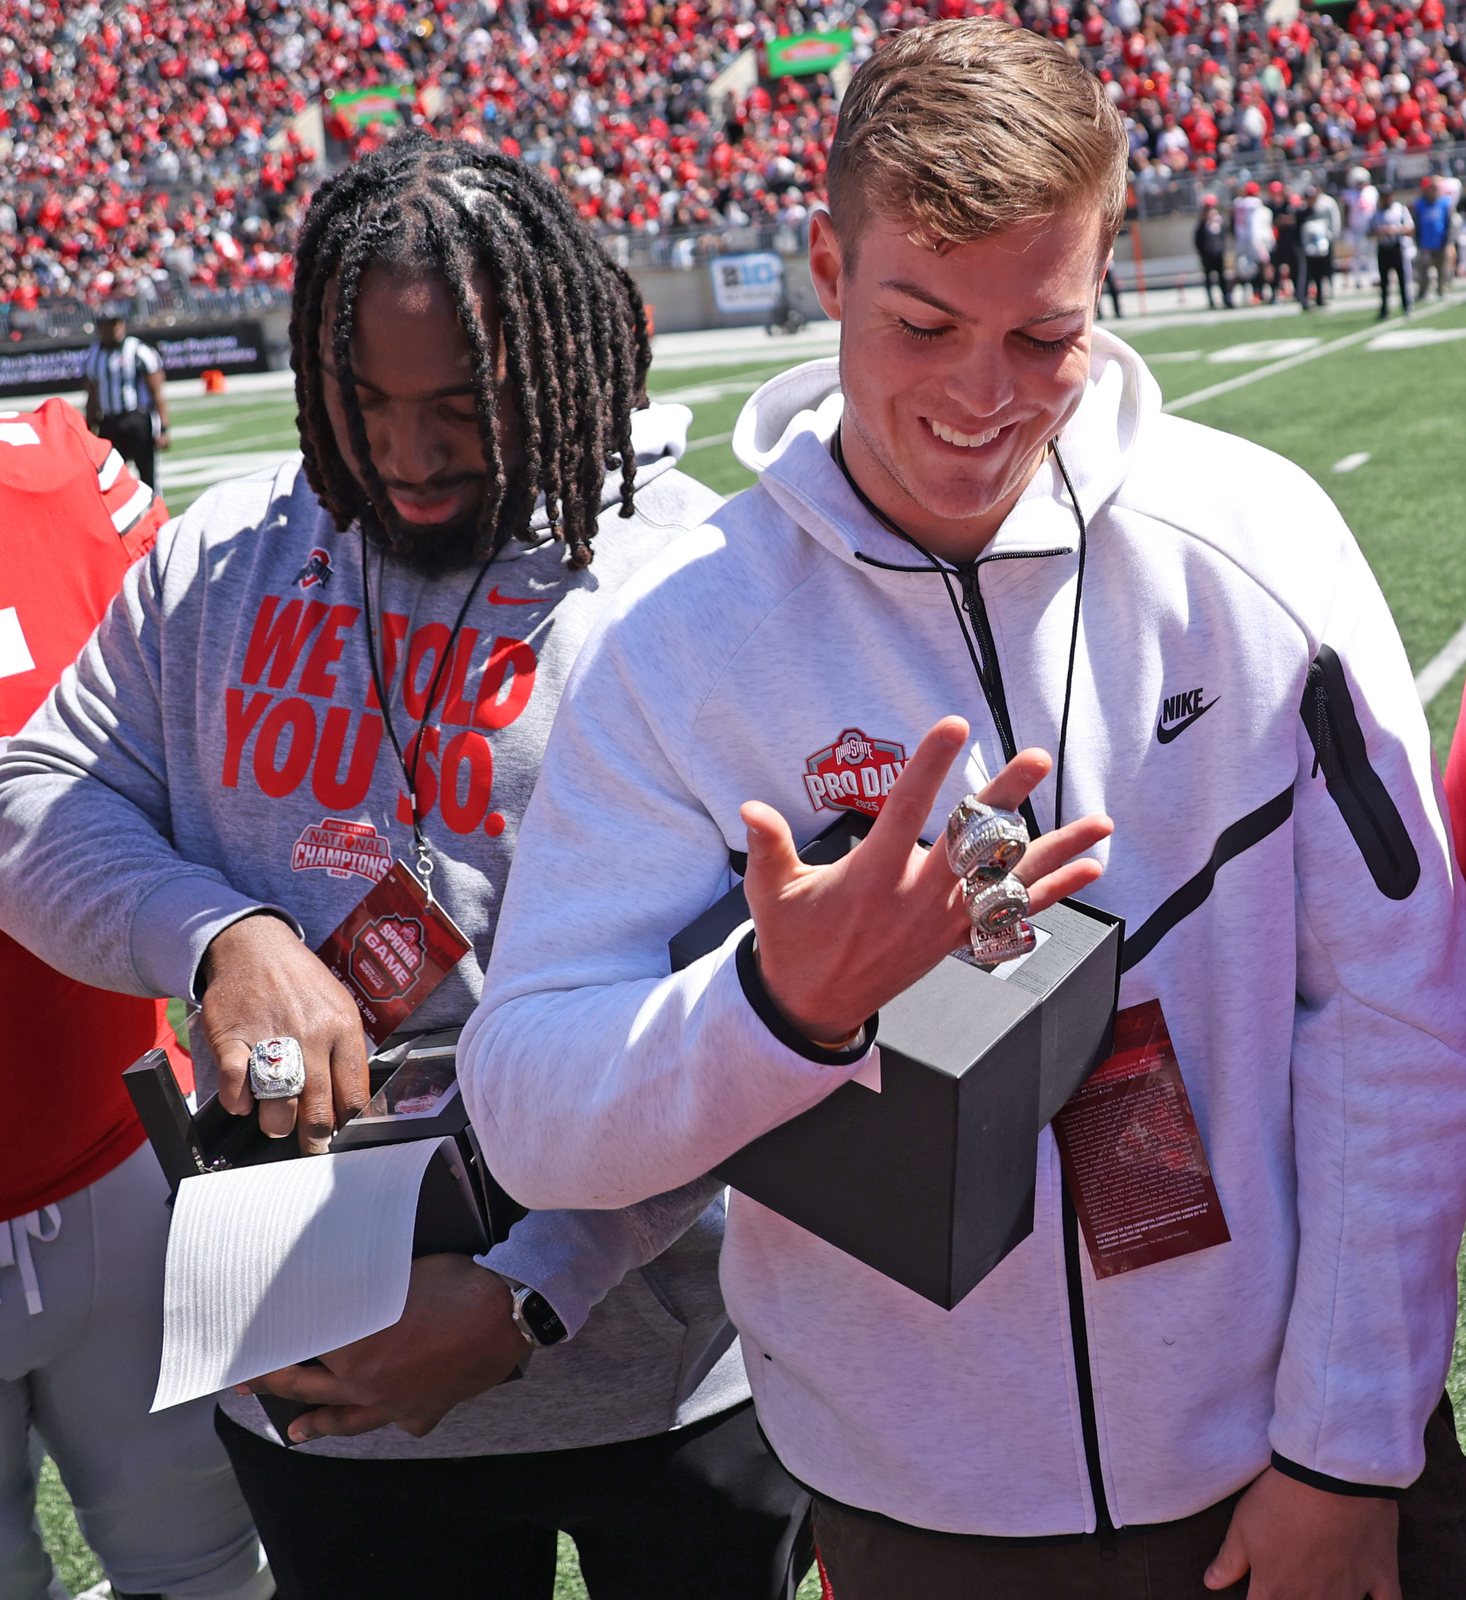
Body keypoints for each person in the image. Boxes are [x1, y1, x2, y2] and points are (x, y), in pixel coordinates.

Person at [460, 20, 1466, 1600]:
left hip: (1279, 1467)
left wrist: (1345, 1447)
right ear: (826, 268)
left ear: (1103, 279)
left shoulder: (1255, 549)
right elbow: (529, 1112)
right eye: (921, 323)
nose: (982, 398)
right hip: (916, 1509)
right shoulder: (681, 644)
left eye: (1045, 336)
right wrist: (774, 1007)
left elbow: (1392, 1014)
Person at [0, 137, 811, 1600]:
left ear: (562, 367)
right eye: (364, 403)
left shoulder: (688, 582)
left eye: (460, 407)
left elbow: (759, 1004)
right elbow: (30, 796)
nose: (409, 456)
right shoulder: (221, 558)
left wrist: (529, 1293)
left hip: (663, 1357)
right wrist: (217, 932)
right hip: (312, 1356)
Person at [0, 398, 271, 1600]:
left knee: (210, 1564)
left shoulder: (65, 477)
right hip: (114, 1162)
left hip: (121, 1165)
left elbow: (221, 735)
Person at [81, 315, 170, 490]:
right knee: (109, 478)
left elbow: (157, 393)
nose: (116, 329)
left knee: (147, 476)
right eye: (110, 325)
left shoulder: (138, 350)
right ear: (100, 328)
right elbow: (92, 395)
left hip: (136, 419)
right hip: (109, 421)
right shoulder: (93, 354)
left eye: (118, 324)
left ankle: (154, 506)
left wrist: (163, 429)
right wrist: (88, 430)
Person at [1373, 187, 1416, 318]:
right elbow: (1369, 231)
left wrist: (1395, 229)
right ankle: (1384, 310)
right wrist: (1380, 232)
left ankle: (1407, 306)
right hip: (1383, 248)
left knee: (1403, 279)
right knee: (1384, 282)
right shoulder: (1377, 212)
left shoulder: (1400, 209)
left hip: (1398, 247)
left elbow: (1410, 227)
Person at [1412, 176, 1453, 301]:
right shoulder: (1419, 204)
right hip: (1425, 242)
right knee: (1423, 269)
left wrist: (1447, 238)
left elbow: (1448, 222)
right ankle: (1422, 291)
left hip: (1440, 241)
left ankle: (1441, 289)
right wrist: (1417, 240)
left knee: (1442, 267)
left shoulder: (1444, 203)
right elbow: (1416, 223)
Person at [1298, 188, 1337, 310]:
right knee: (1307, 275)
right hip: (1307, 248)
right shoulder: (1301, 212)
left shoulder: (1320, 210)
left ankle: (1320, 298)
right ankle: (1304, 299)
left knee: (1320, 273)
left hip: (1320, 248)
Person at [1343, 165, 1380, 288]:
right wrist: (1347, 229)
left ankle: (1374, 276)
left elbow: (1376, 209)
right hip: (1356, 228)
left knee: (1372, 253)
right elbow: (1346, 212)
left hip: (1370, 227)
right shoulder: (1349, 194)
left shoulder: (1371, 191)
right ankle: (1357, 279)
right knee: (1356, 255)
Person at [1193, 194, 1231, 308]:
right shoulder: (1202, 224)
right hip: (1207, 255)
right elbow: (1198, 240)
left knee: (1222, 277)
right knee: (1208, 278)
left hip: (1218, 253)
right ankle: (1211, 301)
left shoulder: (1219, 223)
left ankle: (1226, 298)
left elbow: (1224, 236)